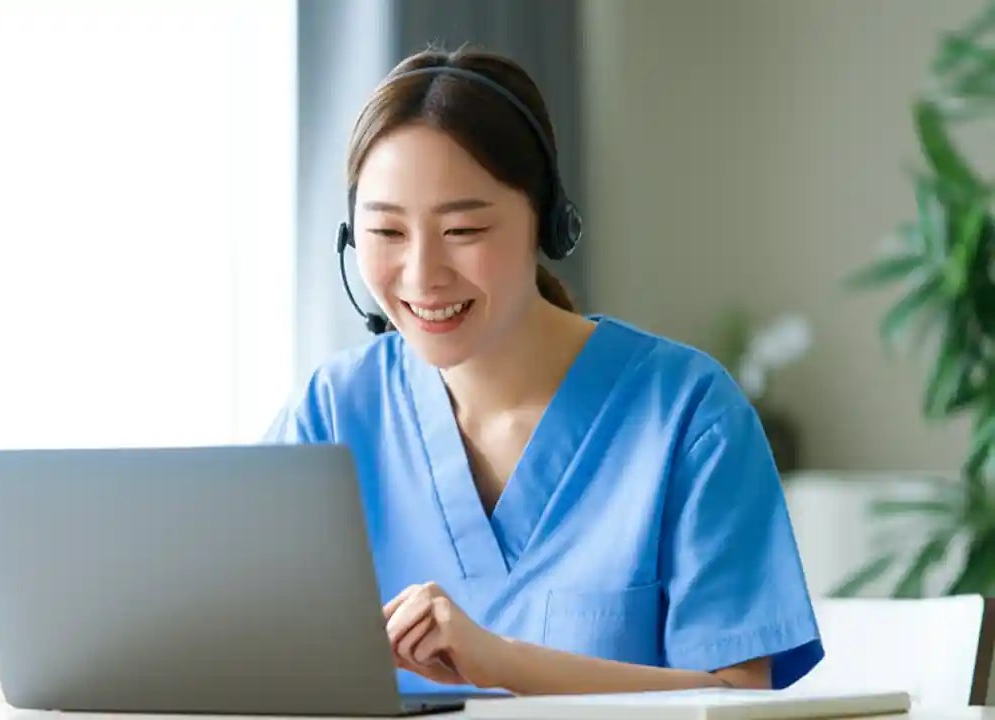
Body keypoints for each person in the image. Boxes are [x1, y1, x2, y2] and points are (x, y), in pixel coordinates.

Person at [265, 46, 823, 697]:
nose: (421, 275)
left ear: (548, 223)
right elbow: (237, 650)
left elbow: (739, 699)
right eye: (387, 233)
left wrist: (501, 662)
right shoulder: (330, 413)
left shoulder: (688, 417)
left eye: (463, 230)